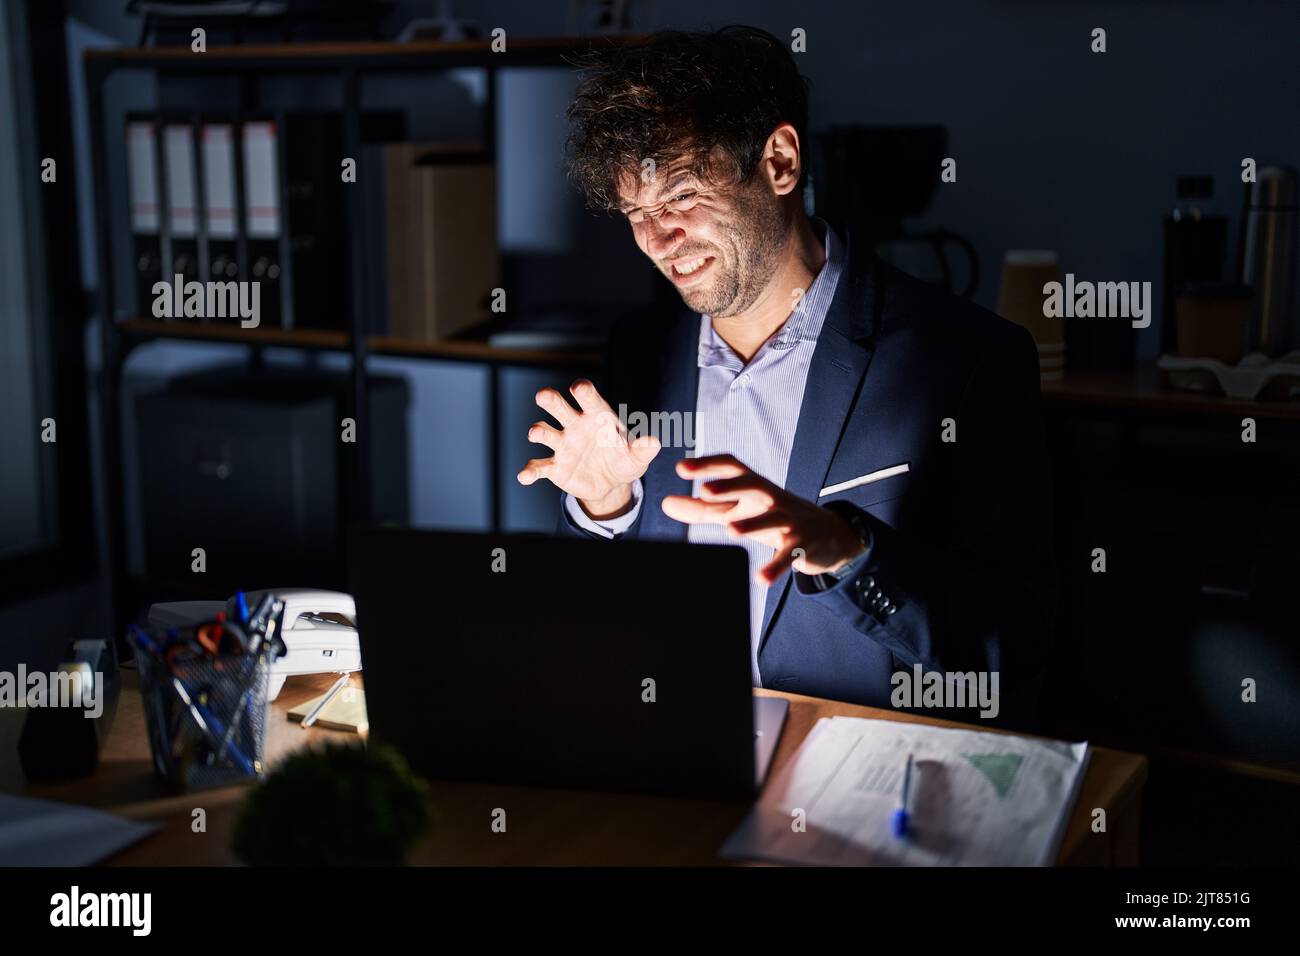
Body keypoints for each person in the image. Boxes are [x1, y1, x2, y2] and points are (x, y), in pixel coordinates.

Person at [516, 26, 1053, 725]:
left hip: (861, 771)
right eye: (637, 214)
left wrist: (849, 554)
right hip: (674, 751)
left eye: (680, 197)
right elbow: (610, 623)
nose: (658, 240)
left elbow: (1012, 648)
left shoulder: (964, 358)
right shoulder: (638, 352)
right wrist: (608, 512)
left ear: (779, 161)